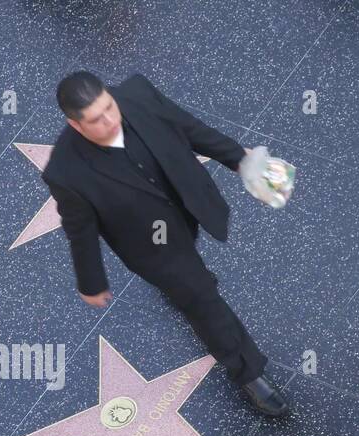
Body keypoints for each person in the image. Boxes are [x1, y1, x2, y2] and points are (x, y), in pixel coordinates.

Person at [44, 71, 290, 416]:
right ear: (75, 125)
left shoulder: (137, 95)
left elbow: (188, 128)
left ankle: (191, 284)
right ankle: (248, 372)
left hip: (187, 203)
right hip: (153, 247)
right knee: (203, 301)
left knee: (195, 273)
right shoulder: (65, 173)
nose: (111, 120)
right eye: (97, 120)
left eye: (110, 108)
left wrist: (239, 159)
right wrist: (91, 282)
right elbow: (80, 229)